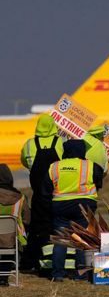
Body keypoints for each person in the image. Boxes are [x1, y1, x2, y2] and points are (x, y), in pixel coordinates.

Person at [45, 138, 104, 281]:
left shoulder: (54, 166)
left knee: (61, 240)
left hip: (60, 206)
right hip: (84, 206)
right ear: (82, 150)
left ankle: (58, 274)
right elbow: (99, 183)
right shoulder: (91, 166)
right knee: (82, 237)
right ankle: (81, 273)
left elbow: (45, 189)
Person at [19, 114, 62, 272]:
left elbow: (24, 161)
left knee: (37, 229)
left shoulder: (29, 144)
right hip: (58, 194)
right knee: (58, 227)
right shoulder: (60, 142)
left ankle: (34, 262)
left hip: (38, 194)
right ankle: (57, 261)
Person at [0, 164, 28, 285]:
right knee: (11, 241)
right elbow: (27, 219)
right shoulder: (20, 198)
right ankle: (3, 278)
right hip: (11, 239)